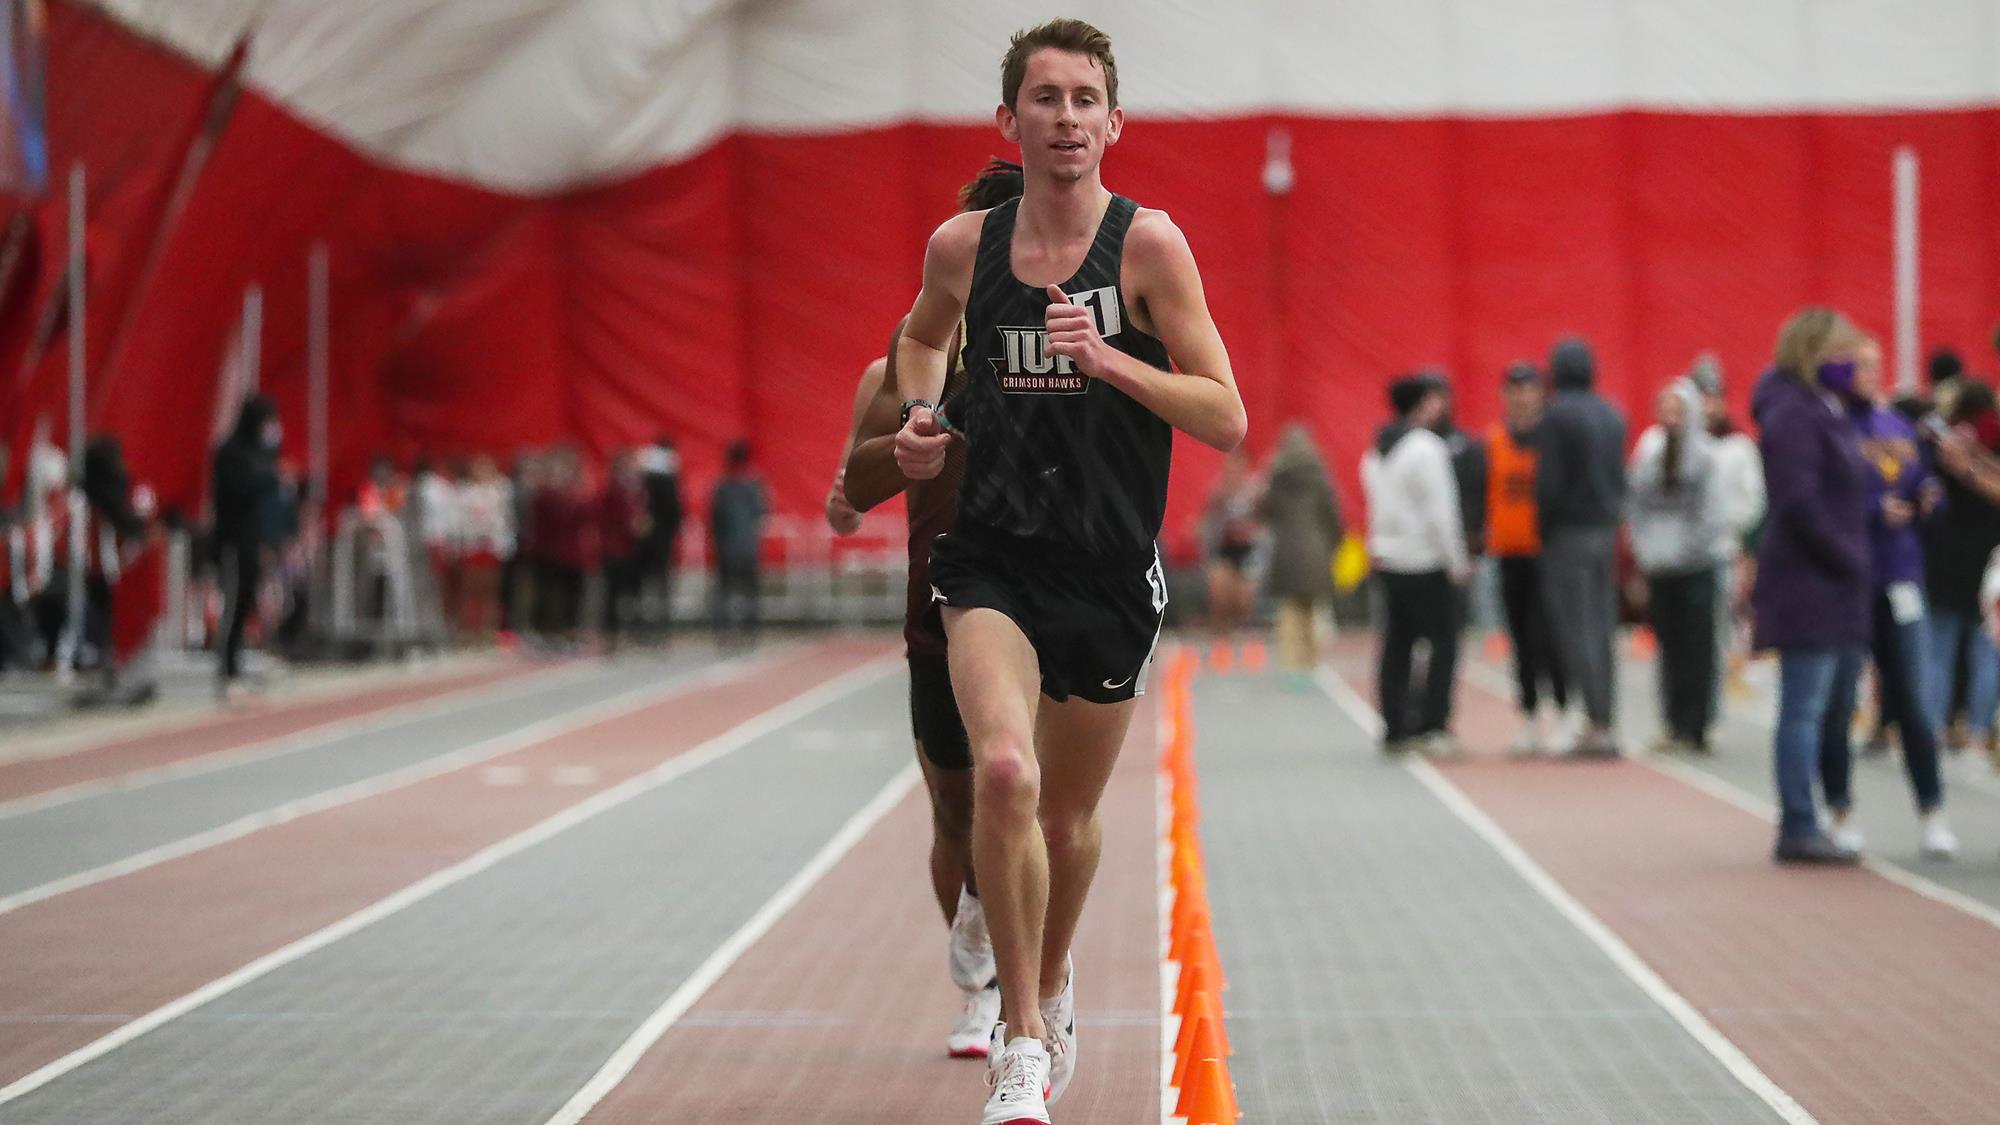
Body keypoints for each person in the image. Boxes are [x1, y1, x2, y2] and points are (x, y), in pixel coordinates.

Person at [888, 19, 1246, 1122]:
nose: (1065, 118)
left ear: (1113, 123)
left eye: (1084, 100)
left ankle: (1048, 979)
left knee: (1065, 822)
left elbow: (1225, 415)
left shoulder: (1148, 248)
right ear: (1010, 121)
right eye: (1043, 99)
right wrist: (915, 414)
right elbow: (918, 336)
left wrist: (1109, 363)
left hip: (1104, 567)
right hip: (990, 556)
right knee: (1003, 773)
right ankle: (1021, 1042)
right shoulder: (963, 246)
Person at [835, 157, 1026, 1063]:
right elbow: (852, 483)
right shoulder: (907, 362)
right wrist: (901, 443)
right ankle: (976, 985)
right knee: (956, 806)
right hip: (939, 603)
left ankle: (1030, 986)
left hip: (1042, 600)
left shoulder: (1060, 350)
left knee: (1025, 794)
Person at [1752, 308, 1870, 865]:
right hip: (1809, 585)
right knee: (1803, 708)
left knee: (1828, 708)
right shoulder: (1795, 414)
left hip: (1834, 584)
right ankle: (1798, 822)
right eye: (1840, 354)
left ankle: (1814, 814)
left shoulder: (1829, 409)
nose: (1850, 364)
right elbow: (1798, 500)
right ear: (1812, 355)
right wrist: (1846, 553)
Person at [1842, 337, 1955, 856]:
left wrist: (1930, 500)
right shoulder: (1834, 425)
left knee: (1912, 696)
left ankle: (1932, 811)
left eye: (1874, 364)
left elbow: (1925, 484)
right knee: (1838, 699)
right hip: (1848, 580)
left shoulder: (1897, 426)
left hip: (1901, 575)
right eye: (1859, 365)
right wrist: (1869, 512)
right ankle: (1837, 809)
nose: (1869, 373)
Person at [1535, 338, 1628, 757]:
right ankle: (1605, 716)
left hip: (1568, 532)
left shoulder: (1556, 416)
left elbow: (1548, 483)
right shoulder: (1612, 413)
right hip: (1604, 530)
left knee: (1576, 628)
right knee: (1602, 626)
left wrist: (1544, 529)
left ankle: (1594, 722)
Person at [1364, 377, 1468, 755]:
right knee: (1443, 645)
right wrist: (1456, 561)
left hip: (1390, 559)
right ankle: (1433, 724)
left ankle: (1395, 726)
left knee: (1396, 645)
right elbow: (1442, 512)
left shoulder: (1378, 449)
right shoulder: (1426, 447)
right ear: (1423, 405)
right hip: (1425, 561)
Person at [1627, 377, 1720, 753]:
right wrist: (1645, 554)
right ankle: (1672, 719)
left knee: (1698, 648)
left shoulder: (1705, 457)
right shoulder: (1649, 453)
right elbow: (1636, 507)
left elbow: (1710, 513)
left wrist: (1685, 550)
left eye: (1677, 410)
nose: (1670, 417)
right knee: (1668, 647)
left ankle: (1697, 723)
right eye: (1664, 409)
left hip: (1695, 565)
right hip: (1660, 566)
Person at [1486, 361, 1570, 755]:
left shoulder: (1552, 439)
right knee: (1520, 639)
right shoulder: (1495, 440)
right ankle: (1530, 716)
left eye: (1529, 389)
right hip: (1508, 552)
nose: (1521, 398)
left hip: (1547, 552)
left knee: (1549, 636)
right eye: (1514, 390)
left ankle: (1564, 710)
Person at [1690, 356, 1765, 707]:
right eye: (1699, 397)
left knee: (1723, 622)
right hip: (1685, 555)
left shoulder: (1738, 447)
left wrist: (1745, 551)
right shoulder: (1676, 444)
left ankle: (1713, 699)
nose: (1706, 406)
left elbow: (1753, 503)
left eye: (1711, 397)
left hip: (1725, 549)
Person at [1257, 423, 1342, 683]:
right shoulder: (1320, 475)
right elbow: (1332, 515)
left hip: (1286, 550)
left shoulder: (1277, 475)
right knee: (1312, 608)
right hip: (1316, 549)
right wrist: (1333, 542)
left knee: (1289, 611)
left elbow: (1264, 510)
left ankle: (1292, 665)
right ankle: (1311, 661)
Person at [211, 396, 282, 699]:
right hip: (232, 537)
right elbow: (234, 490)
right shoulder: (231, 452)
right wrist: (267, 477)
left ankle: (236, 665)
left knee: (246, 601)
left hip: (252, 536)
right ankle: (227, 669)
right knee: (234, 601)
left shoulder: (258, 452)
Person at [708, 440, 768, 647]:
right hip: (748, 546)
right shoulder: (754, 484)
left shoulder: (722, 485)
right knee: (748, 590)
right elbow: (763, 513)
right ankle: (748, 631)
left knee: (725, 590)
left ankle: (724, 632)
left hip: (726, 546)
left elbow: (714, 519)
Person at [1199, 447, 1261, 642]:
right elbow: (1209, 528)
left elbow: (1265, 528)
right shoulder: (1218, 494)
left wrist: (1250, 530)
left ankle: (1244, 636)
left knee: (1243, 597)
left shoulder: (1255, 492)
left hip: (1248, 553)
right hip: (1224, 552)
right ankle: (1219, 638)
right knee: (1219, 591)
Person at [636, 437, 684, 638]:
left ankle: (643, 628)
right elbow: (675, 510)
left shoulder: (644, 471)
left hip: (644, 538)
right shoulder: (669, 476)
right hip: (661, 539)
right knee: (660, 584)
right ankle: (661, 628)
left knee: (645, 584)